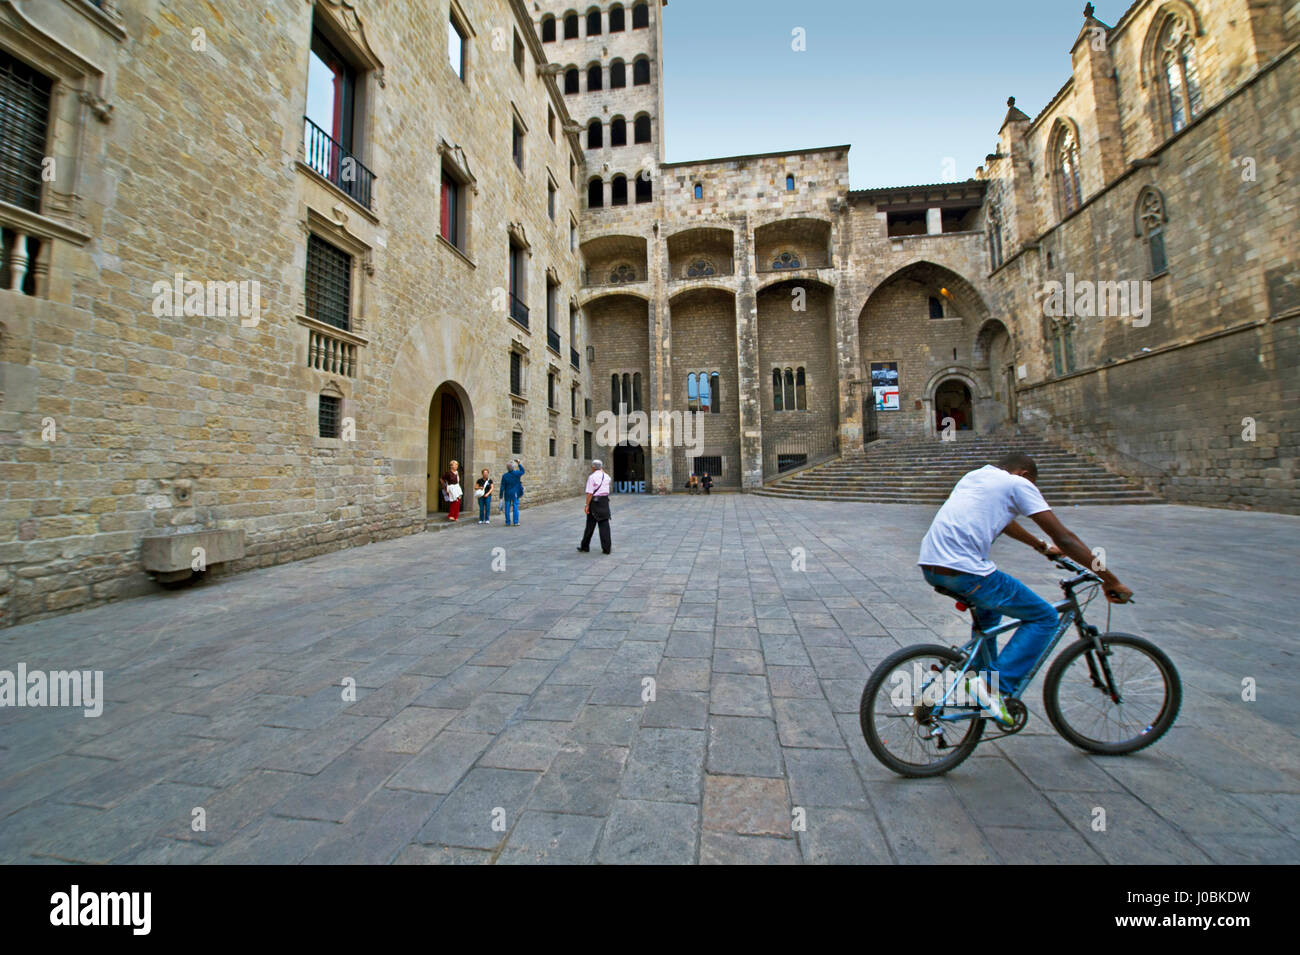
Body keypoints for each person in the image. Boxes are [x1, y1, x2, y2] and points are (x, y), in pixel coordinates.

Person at [917, 451, 1132, 726]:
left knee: (990, 616)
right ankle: (994, 687)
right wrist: (1110, 579)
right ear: (1024, 476)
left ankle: (981, 681)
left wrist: (1041, 547)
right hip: (966, 571)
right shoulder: (1019, 484)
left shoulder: (977, 475)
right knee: (1043, 617)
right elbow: (1065, 537)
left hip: (932, 565)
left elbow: (1006, 522)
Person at [577, 459, 613, 555]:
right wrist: (601, 470)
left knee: (590, 526)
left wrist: (587, 505)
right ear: (601, 467)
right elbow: (606, 476)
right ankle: (607, 548)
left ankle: (585, 546)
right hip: (604, 502)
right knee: (604, 525)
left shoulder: (592, 477)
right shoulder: (606, 476)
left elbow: (589, 493)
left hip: (595, 503)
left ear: (593, 467)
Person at [499, 459, 524, 526]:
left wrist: (501, 496)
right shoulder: (517, 473)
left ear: (507, 468)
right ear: (513, 467)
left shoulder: (504, 476)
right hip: (515, 493)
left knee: (507, 508)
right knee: (515, 507)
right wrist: (519, 463)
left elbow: (502, 487)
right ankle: (515, 522)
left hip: (507, 493)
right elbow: (523, 471)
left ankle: (507, 522)